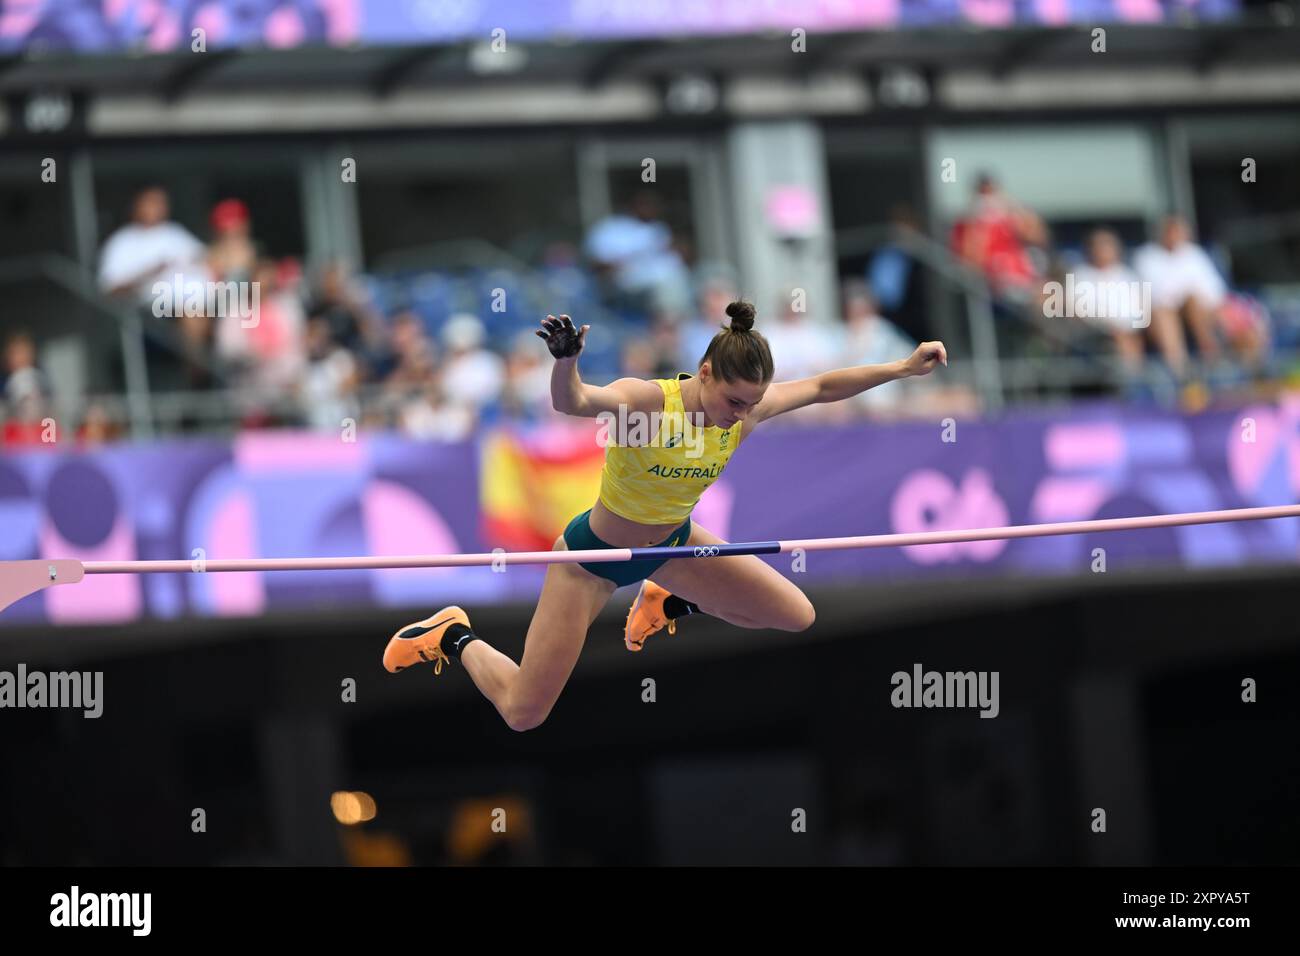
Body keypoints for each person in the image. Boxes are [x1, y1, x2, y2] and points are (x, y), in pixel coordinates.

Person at [380, 301, 948, 732]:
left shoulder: (746, 412)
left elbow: (824, 385)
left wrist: (902, 368)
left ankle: (665, 598)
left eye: (752, 404)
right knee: (524, 712)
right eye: (733, 402)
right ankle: (452, 635)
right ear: (704, 373)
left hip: (673, 544)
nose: (740, 416)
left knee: (795, 614)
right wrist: (566, 362)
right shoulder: (647, 402)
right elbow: (572, 402)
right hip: (591, 561)